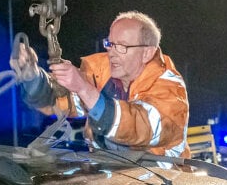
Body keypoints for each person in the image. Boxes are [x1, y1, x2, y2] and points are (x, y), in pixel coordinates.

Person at [10, 11, 190, 157]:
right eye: (110, 44)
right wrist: (32, 76)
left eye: (122, 46)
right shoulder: (102, 73)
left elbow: (141, 127)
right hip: (110, 178)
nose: (111, 53)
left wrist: (83, 88)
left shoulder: (169, 86)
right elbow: (59, 101)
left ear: (147, 53)